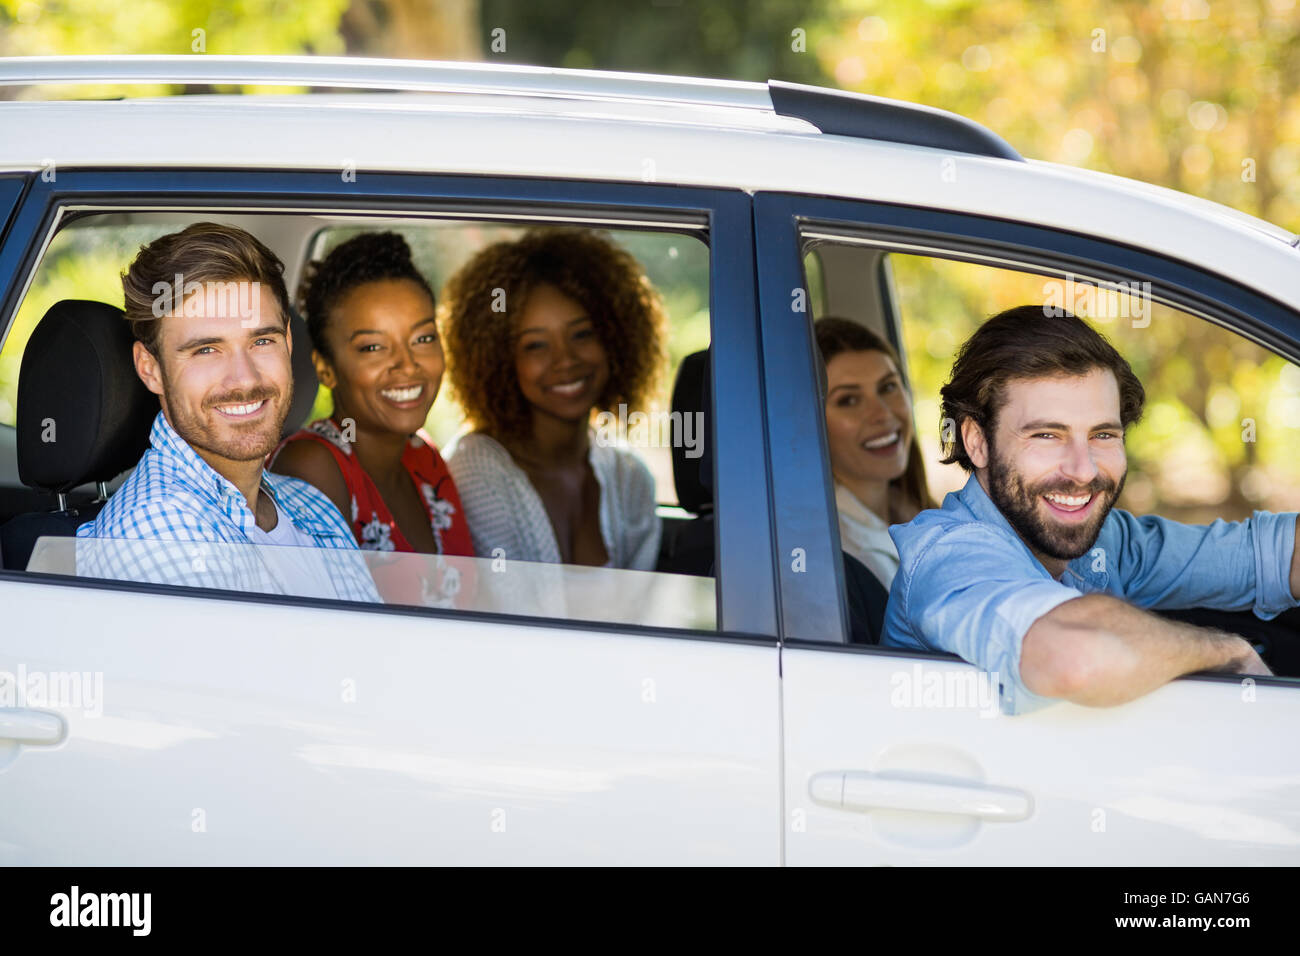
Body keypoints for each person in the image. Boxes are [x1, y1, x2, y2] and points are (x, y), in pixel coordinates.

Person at [884, 305, 1289, 715]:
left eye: (1102, 434)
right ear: (976, 441)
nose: (1083, 471)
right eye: (1046, 434)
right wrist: (1226, 652)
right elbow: (1078, 657)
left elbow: (1263, 556)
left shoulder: (1103, 540)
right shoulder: (952, 555)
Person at [76, 222, 377, 602]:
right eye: (206, 350)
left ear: (288, 342)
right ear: (150, 368)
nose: (244, 379)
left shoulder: (311, 506)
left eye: (262, 340)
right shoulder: (158, 533)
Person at [439, 228, 664, 569]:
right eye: (536, 345)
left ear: (615, 339)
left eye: (582, 334)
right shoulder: (473, 475)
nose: (566, 359)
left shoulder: (630, 477)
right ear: (500, 359)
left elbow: (645, 613)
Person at [269, 231, 472, 560]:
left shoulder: (425, 455)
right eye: (373, 347)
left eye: (422, 338)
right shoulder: (312, 466)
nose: (407, 365)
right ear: (326, 369)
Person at [815, 317, 936, 589]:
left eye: (888, 387)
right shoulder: (835, 553)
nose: (882, 413)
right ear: (811, 422)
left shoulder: (922, 513)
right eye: (849, 400)